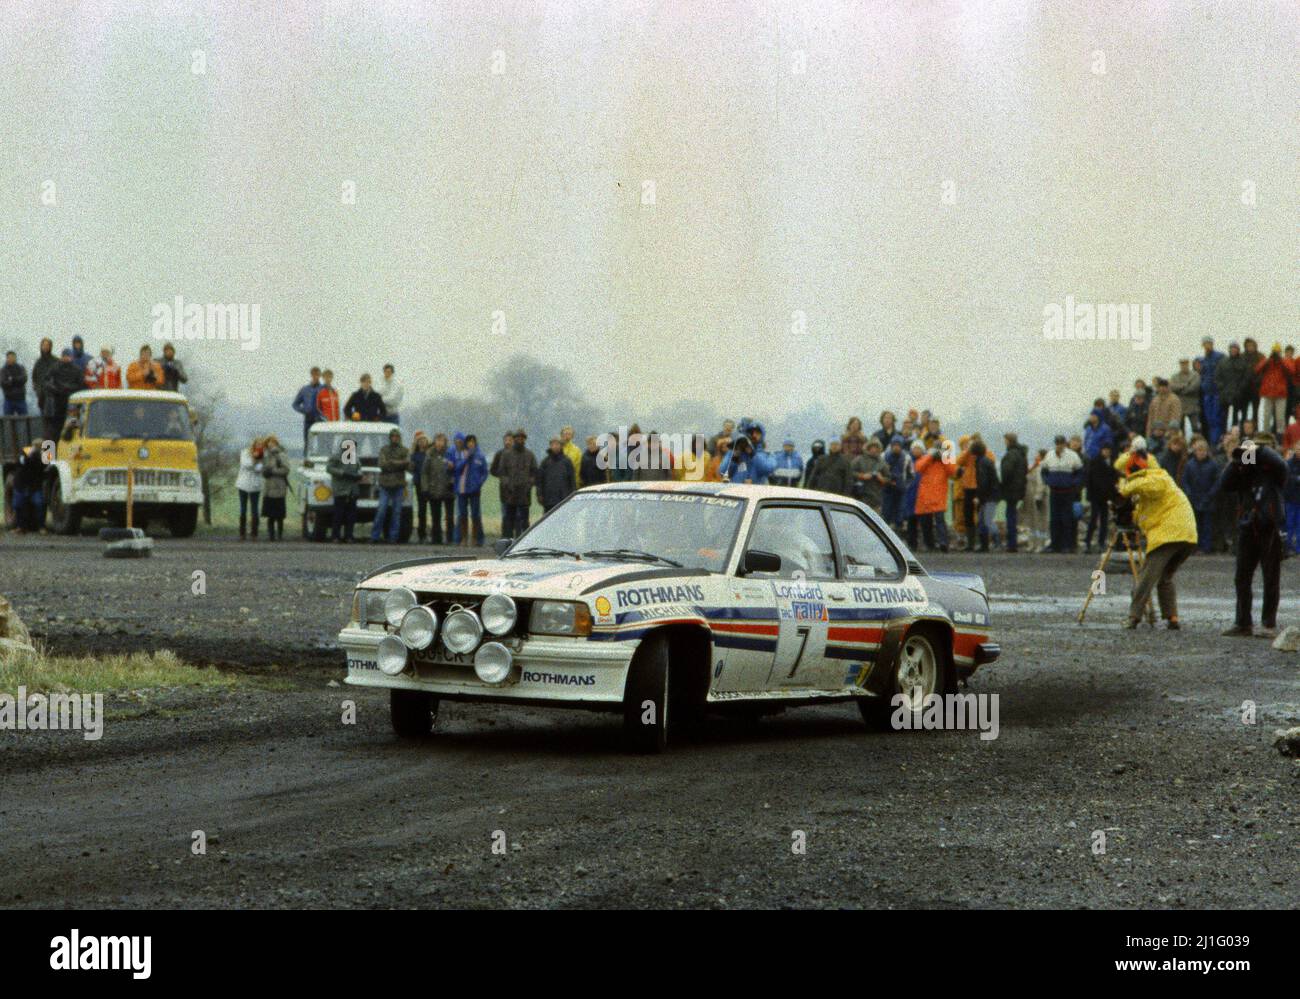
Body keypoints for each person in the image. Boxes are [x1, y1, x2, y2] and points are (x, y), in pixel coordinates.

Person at [1114, 442, 1198, 629]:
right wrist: (1129, 514)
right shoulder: (1151, 487)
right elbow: (1145, 514)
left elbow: (1151, 486)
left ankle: (1133, 617)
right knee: (1165, 577)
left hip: (1170, 535)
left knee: (1146, 578)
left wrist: (1126, 489)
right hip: (1187, 535)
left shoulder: (1158, 476)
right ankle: (1172, 617)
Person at [1218, 436, 1287, 638]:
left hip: (1269, 527)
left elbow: (1280, 464)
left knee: (1271, 577)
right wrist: (1237, 460)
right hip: (1248, 527)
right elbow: (1225, 483)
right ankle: (1243, 622)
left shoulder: (1273, 472)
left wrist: (1259, 450)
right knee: (1242, 577)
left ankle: (1268, 623)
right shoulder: (1245, 471)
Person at [1041, 435, 1084, 553]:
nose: (1059, 445)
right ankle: (1055, 545)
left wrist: (1073, 483)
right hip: (1054, 491)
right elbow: (1043, 471)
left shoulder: (1072, 456)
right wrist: (1047, 481)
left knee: (1067, 519)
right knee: (1054, 519)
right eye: (1058, 443)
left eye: (1062, 443)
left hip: (1067, 491)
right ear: (1055, 443)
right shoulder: (1049, 455)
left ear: (1065, 444)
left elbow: (1080, 472)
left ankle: (1067, 545)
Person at [912, 443, 955, 552]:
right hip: (926, 497)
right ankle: (930, 544)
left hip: (938, 496)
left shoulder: (945, 460)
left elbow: (952, 471)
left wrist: (943, 458)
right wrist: (931, 457)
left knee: (940, 521)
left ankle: (943, 543)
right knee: (926, 523)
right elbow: (918, 467)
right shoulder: (925, 458)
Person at [496, 428, 537, 539]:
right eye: (518, 437)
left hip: (524, 495)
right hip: (510, 494)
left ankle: (524, 543)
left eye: (522, 438)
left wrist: (529, 485)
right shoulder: (506, 454)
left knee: (524, 522)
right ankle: (507, 544)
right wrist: (507, 484)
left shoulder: (530, 455)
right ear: (514, 439)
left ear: (525, 439)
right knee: (508, 521)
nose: (520, 439)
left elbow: (534, 473)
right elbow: (501, 472)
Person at [370, 427, 409, 544]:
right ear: (390, 438)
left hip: (398, 484)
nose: (395, 438)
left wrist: (392, 462)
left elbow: (407, 463)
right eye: (393, 436)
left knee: (396, 513)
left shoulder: (405, 450)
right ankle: (375, 536)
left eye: (397, 437)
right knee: (381, 510)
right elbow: (382, 464)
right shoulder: (384, 449)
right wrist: (398, 464)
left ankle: (393, 537)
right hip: (385, 485)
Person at [1181, 438, 1219, 554]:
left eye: (1203, 450)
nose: (1201, 453)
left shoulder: (1213, 465)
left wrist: (1210, 495)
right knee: (1195, 524)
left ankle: (1205, 547)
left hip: (1208, 499)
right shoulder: (1189, 465)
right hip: (1194, 498)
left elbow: (1217, 482)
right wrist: (1188, 493)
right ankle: (1195, 546)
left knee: (1207, 525)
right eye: (1198, 450)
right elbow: (1185, 480)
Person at [453, 433, 488, 546]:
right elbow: (457, 468)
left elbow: (485, 472)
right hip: (462, 489)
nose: (470, 444)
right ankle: (463, 538)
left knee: (475, 515)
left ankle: (475, 538)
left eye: (473, 442)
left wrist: (479, 483)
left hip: (474, 489)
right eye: (469, 442)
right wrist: (466, 459)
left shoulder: (480, 456)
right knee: (463, 515)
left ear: (475, 443)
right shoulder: (461, 455)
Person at [42, 348, 84, 440]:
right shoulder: (55, 367)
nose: (66, 358)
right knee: (54, 428)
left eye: (68, 356)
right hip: (57, 401)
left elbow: (81, 385)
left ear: (72, 357)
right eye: (64, 356)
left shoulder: (77, 370)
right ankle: (50, 451)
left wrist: (70, 389)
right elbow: (46, 381)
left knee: (73, 426)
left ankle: (69, 444)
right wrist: (55, 389)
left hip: (73, 402)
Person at [420, 433, 455, 544]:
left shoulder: (450, 453)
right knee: (436, 516)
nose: (439, 443)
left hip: (448, 488)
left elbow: (457, 469)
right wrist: (425, 488)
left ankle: (450, 538)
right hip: (433, 488)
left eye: (442, 441)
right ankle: (436, 538)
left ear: (445, 442)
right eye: (437, 440)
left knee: (449, 516)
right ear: (434, 442)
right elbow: (424, 472)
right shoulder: (430, 454)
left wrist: (453, 479)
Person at [1084, 443, 1118, 553]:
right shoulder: (1095, 461)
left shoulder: (1111, 463)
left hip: (1105, 497)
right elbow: (1089, 479)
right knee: (1093, 519)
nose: (1107, 452)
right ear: (1101, 450)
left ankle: (1101, 542)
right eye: (1105, 450)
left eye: (1108, 450)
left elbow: (1112, 479)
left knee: (1104, 520)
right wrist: (1090, 494)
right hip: (1096, 495)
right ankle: (1088, 542)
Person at [326, 439, 362, 542]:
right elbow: (329, 468)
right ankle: (335, 536)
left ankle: (349, 536)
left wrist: (359, 475)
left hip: (352, 490)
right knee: (338, 514)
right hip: (340, 489)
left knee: (351, 515)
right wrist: (342, 473)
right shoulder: (336, 456)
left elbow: (359, 468)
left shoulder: (355, 457)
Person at [9, 441, 47, 533]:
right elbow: (21, 462)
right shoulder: (25, 451)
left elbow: (45, 466)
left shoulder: (44, 455)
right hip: (21, 484)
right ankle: (20, 527)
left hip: (34, 485)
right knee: (18, 505)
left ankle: (41, 526)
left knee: (39, 504)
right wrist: (30, 455)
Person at [1254, 342, 1291, 436]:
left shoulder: (1284, 361)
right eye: (1275, 352)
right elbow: (1257, 369)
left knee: (1280, 418)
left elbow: (1291, 370)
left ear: (1280, 352)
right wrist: (1269, 359)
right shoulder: (1267, 361)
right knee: (1266, 416)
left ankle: (1280, 436)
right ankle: (1266, 435)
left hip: (1281, 394)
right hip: (1267, 393)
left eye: (1277, 352)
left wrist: (1281, 360)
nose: (1276, 354)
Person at [1000, 432, 1028, 553]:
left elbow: (1007, 472)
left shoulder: (1011, 454)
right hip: (1019, 489)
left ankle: (1012, 544)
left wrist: (1003, 485)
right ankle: (1013, 542)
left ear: (1008, 441)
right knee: (1013, 515)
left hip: (1010, 489)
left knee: (1010, 515)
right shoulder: (1022, 455)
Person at [970, 440, 999, 552]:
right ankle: (985, 545)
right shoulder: (986, 461)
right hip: (991, 495)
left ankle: (995, 543)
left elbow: (983, 482)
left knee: (986, 521)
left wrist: (979, 496)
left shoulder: (981, 463)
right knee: (984, 520)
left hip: (988, 496)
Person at [260, 435, 290, 541]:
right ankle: (271, 536)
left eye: (271, 442)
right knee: (270, 515)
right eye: (268, 442)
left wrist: (272, 471)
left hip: (278, 487)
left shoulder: (281, 455)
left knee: (279, 515)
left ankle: (280, 535)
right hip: (268, 488)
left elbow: (286, 470)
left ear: (276, 443)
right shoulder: (267, 455)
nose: (270, 444)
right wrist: (265, 472)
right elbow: (263, 469)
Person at [538, 436, 577, 512]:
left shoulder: (567, 461)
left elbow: (572, 480)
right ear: (550, 446)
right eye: (553, 444)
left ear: (561, 446)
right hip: (548, 500)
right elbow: (539, 480)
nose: (555, 446)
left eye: (557, 444)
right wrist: (539, 495)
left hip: (564, 499)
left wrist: (573, 495)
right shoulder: (545, 462)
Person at [236, 437, 265, 540]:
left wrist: (259, 460)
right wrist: (254, 459)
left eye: (261, 445)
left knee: (254, 509)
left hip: (255, 485)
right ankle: (242, 532)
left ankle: (254, 533)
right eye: (258, 444)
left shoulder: (263, 456)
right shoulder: (245, 452)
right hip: (243, 484)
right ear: (254, 444)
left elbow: (259, 470)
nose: (259, 447)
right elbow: (245, 464)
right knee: (243, 509)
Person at [852, 438, 891, 513]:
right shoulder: (859, 459)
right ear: (868, 448)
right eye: (872, 447)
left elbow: (888, 478)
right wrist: (862, 476)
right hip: (860, 496)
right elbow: (850, 473)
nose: (874, 450)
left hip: (876, 498)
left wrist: (881, 478)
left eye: (877, 447)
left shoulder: (882, 463)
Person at [292, 367, 323, 450]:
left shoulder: (323, 389)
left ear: (320, 375)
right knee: (308, 441)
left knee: (322, 441)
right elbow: (295, 404)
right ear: (311, 375)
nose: (315, 377)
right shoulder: (305, 389)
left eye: (317, 374)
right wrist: (304, 410)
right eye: (314, 374)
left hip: (321, 419)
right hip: (309, 418)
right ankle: (307, 460)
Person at [1169, 358, 1200, 439]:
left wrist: (1181, 389)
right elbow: (1172, 387)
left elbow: (1194, 387)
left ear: (1188, 364)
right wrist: (1185, 385)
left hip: (1192, 405)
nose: (1183, 366)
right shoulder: (1175, 376)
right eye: (1182, 364)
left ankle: (1196, 441)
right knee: (1180, 428)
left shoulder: (1195, 375)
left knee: (1195, 427)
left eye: (1185, 364)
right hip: (1180, 406)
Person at [410, 432, 432, 542]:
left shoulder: (431, 453)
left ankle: (434, 533)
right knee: (422, 510)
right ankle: (421, 533)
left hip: (431, 484)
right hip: (419, 484)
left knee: (434, 509)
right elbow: (411, 468)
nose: (422, 442)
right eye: (420, 440)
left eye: (424, 440)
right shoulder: (414, 455)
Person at [31, 338, 56, 416]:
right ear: (41, 346)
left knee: (54, 418)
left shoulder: (55, 361)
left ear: (51, 347)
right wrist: (37, 389)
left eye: (47, 345)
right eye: (44, 345)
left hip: (54, 396)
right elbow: (34, 377)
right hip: (42, 396)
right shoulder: (38, 363)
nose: (45, 347)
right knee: (43, 419)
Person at [1, 350, 28, 415]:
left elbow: (24, 379)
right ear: (7, 358)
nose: (11, 359)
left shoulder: (21, 368)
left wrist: (12, 379)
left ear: (15, 358)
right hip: (8, 400)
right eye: (9, 357)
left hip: (21, 399)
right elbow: (3, 383)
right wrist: (16, 381)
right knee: (7, 422)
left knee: (24, 421)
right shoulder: (3, 370)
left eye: (12, 357)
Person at [1285, 445, 1300, 555]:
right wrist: (1297, 478)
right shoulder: (1289, 463)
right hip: (1291, 498)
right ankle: (1288, 544)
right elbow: (1287, 478)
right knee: (1290, 523)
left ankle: (1298, 547)